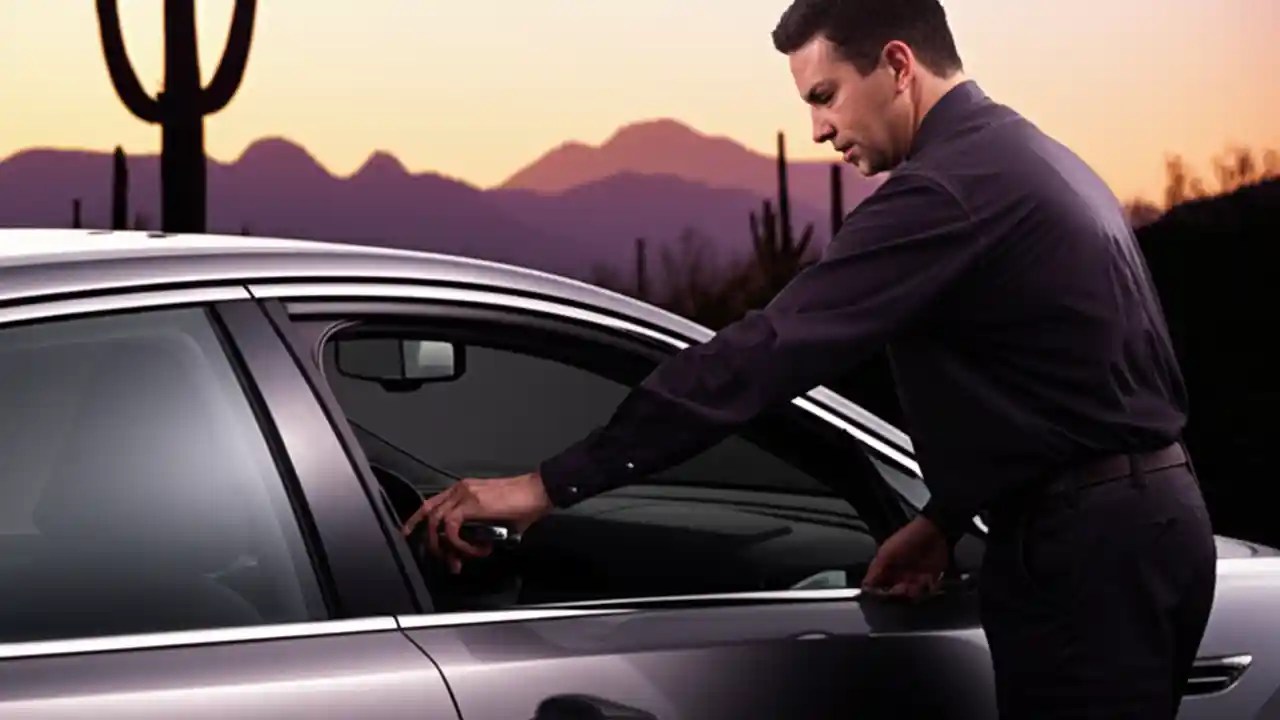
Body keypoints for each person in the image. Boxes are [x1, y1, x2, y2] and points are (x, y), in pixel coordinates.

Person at [403, 0, 1217, 717]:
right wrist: (943, 520)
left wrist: (548, 484)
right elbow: (1061, 383)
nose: (819, 130)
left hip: (1085, 556)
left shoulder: (944, 192)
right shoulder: (1032, 157)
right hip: (1156, 523)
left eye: (825, 97)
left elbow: (763, 355)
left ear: (897, 65)